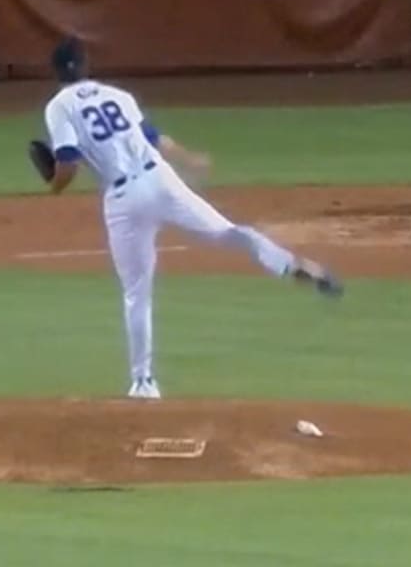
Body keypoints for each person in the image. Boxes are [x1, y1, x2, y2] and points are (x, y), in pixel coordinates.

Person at [36, 38, 342, 399]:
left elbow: (68, 165)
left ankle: (144, 383)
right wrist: (190, 157)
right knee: (228, 233)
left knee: (137, 292)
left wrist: (54, 185)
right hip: (161, 178)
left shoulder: (58, 107)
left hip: (123, 200)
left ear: (56, 72)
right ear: (86, 65)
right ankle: (290, 265)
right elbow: (153, 138)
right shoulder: (117, 95)